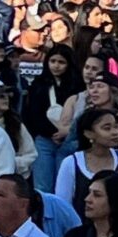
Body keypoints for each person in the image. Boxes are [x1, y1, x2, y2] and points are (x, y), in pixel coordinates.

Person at [55, 105, 118, 221]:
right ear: (89, 133)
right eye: (107, 128)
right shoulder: (70, 163)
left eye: (115, 127)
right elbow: (63, 208)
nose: (115, 132)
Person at [22, 46, 84, 193]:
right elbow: (32, 114)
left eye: (61, 62)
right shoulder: (39, 84)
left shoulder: (78, 85)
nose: (56, 66)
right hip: (44, 140)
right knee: (42, 188)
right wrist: (53, 132)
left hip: (71, 141)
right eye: (53, 61)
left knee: (66, 188)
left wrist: (66, 132)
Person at [0, 82, 37, 178]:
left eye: (8, 95)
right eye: (1, 96)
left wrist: (12, 162)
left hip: (13, 179)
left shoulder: (16, 125)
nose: (6, 99)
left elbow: (31, 154)